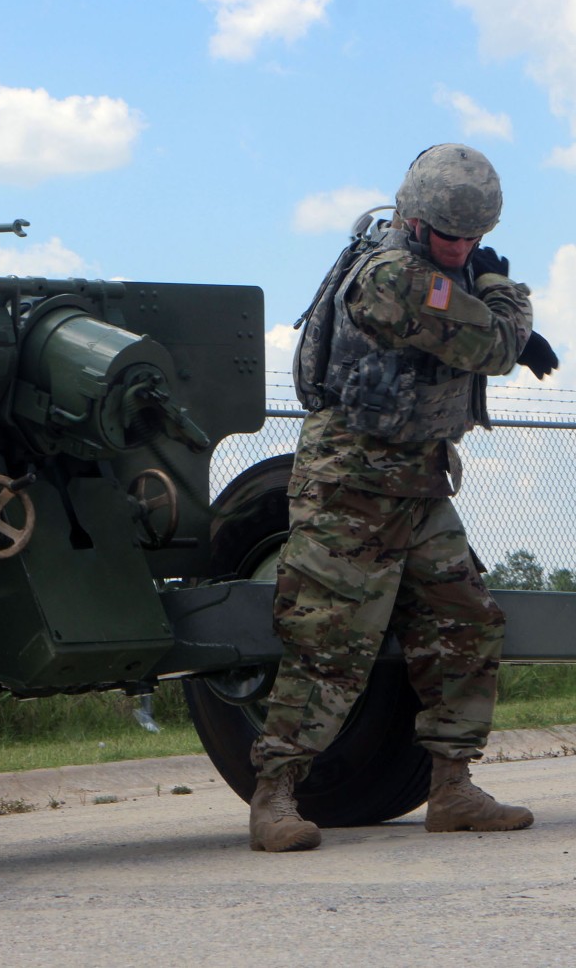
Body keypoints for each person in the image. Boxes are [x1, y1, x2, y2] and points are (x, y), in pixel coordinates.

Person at [250, 143, 559, 853]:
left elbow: (481, 339)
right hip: (350, 484)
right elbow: (489, 345)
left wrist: (495, 310)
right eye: (449, 237)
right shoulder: (392, 276)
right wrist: (508, 301)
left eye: (473, 239)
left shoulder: (436, 268)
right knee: (329, 641)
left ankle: (450, 788)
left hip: (417, 481)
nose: (461, 248)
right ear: (415, 219)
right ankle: (274, 795)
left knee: (467, 622)